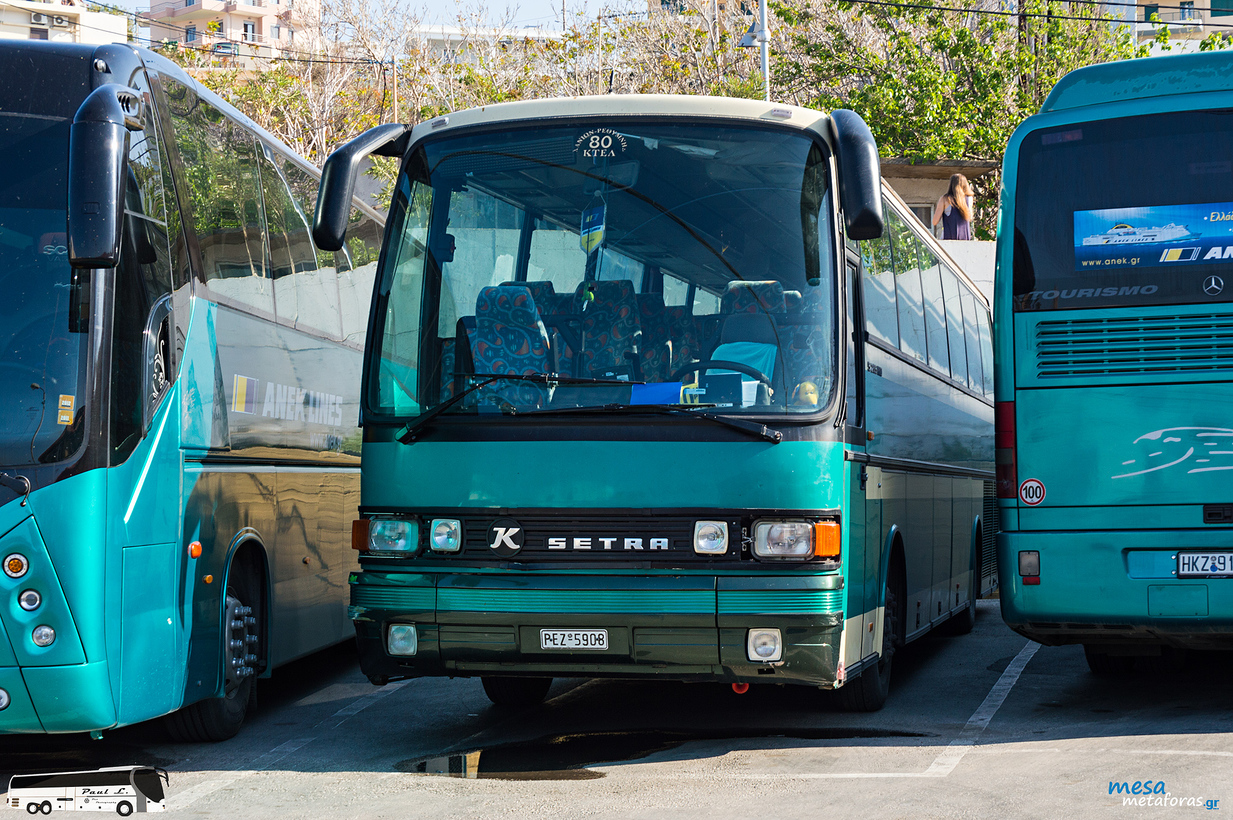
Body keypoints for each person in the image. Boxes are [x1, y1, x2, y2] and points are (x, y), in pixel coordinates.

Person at [932, 173, 974, 240]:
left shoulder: (945, 199)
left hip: (949, 238)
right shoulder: (969, 199)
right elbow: (970, 218)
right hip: (965, 239)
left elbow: (935, 221)